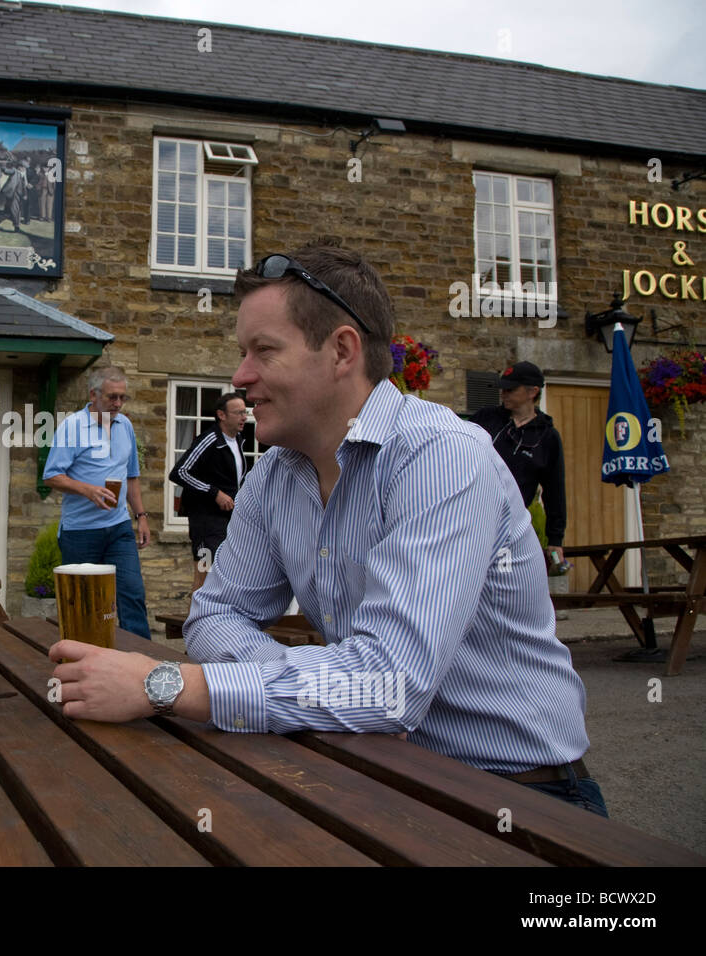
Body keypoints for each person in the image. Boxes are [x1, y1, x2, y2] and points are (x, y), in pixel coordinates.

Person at [48, 243, 607, 816]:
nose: (240, 378)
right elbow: (214, 615)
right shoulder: (276, 473)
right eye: (243, 353)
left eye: (263, 351)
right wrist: (335, 696)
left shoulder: (441, 457)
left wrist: (165, 686)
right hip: (378, 771)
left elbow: (390, 683)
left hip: (518, 796)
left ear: (341, 350)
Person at [43, 365, 152, 639]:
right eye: (111, 397)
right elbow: (52, 476)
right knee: (84, 605)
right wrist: (88, 490)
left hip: (118, 528)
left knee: (132, 595)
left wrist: (141, 516)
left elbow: (132, 476)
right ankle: (82, 664)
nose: (117, 403)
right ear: (93, 394)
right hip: (80, 533)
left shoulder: (124, 425)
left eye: (122, 398)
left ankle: (142, 663)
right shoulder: (72, 427)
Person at [469, 361, 566, 571]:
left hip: (509, 526)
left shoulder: (547, 437)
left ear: (533, 391)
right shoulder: (486, 419)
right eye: (502, 388)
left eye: (511, 389)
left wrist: (555, 539)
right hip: (472, 517)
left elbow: (555, 490)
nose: (503, 393)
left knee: (502, 578)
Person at [169, 392, 248, 591]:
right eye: (238, 413)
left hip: (229, 521)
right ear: (221, 415)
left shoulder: (238, 440)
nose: (244, 417)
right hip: (205, 523)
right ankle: (196, 622)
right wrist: (215, 493)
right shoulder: (209, 440)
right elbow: (179, 472)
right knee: (204, 578)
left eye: (244, 412)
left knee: (227, 578)